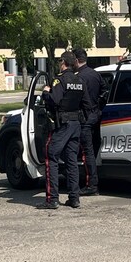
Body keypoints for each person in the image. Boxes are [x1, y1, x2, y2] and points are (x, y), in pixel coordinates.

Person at [38, 51, 84, 210]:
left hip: (62, 124)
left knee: (51, 156)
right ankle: (74, 198)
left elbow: (54, 100)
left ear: (63, 62)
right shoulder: (79, 80)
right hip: (75, 124)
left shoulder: (59, 80)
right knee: (72, 161)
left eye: (59, 61)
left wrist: (46, 92)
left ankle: (52, 199)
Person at [72, 47, 102, 196]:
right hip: (96, 115)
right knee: (93, 150)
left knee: (87, 152)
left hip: (84, 117)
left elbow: (75, 99)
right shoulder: (96, 74)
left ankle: (91, 185)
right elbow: (104, 91)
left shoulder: (78, 77)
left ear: (76, 60)